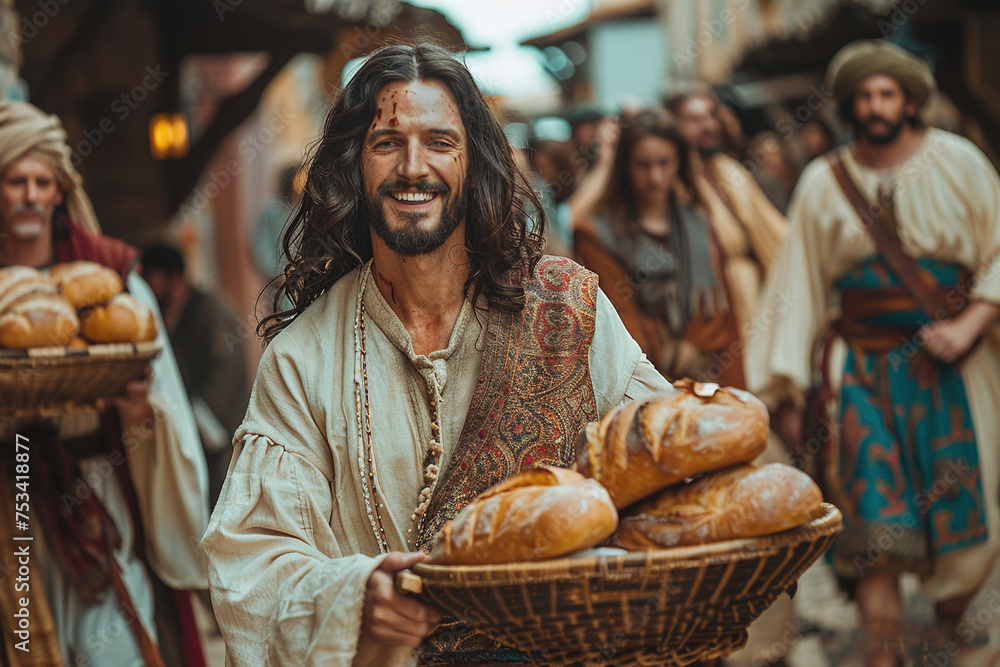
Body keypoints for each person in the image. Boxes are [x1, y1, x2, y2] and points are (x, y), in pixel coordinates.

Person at [200, 43, 671, 666]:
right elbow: (252, 563)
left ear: (473, 163)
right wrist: (358, 595)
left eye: (440, 142)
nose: (412, 168)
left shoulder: (566, 310)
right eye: (387, 142)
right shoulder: (303, 358)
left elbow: (664, 456)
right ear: (354, 164)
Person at [747, 40, 1000, 667]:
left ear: (910, 100)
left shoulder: (961, 162)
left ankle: (950, 635)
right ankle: (880, 656)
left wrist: (969, 326)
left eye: (887, 93)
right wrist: (782, 387)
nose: (876, 105)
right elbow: (798, 283)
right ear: (849, 105)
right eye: (864, 95)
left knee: (968, 514)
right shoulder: (823, 181)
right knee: (872, 524)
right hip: (859, 373)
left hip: (954, 367)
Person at [0, 101, 210, 665]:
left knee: (112, 646)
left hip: (94, 482)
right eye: (15, 180)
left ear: (58, 192)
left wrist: (140, 412)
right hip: (11, 486)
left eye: (41, 182)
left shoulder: (110, 276)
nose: (28, 194)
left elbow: (162, 403)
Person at [573, 109, 743, 388]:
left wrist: (698, 348)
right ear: (625, 165)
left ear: (680, 163)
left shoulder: (699, 224)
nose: (655, 176)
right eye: (643, 164)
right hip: (639, 381)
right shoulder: (597, 234)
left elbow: (724, 316)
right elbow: (619, 320)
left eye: (665, 163)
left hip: (706, 377)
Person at [666, 88, 788, 347]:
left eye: (711, 116)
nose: (709, 125)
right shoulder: (672, 182)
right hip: (713, 307)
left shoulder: (731, 171)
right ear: (674, 126)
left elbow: (776, 233)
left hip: (754, 294)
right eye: (695, 120)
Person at [141, 243, 251, 509]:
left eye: (151, 279)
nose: (148, 289)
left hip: (220, 444)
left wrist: (185, 428)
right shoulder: (168, 316)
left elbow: (226, 375)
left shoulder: (212, 312)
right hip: (192, 441)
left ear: (174, 277)